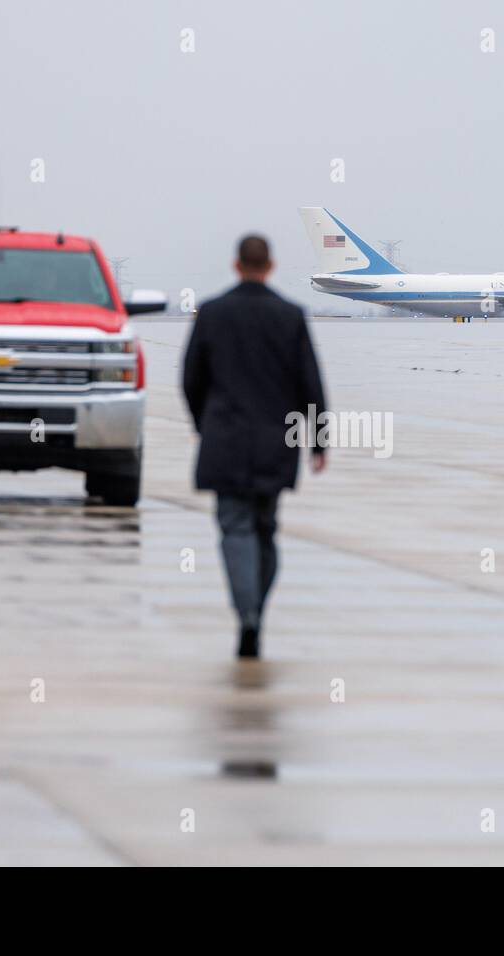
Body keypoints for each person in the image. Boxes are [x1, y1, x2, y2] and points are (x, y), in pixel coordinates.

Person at [182, 235, 327, 659]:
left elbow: (191, 379)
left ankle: (246, 615)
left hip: (225, 441)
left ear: (236, 265)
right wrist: (318, 442)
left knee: (235, 529)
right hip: (275, 444)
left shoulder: (211, 313)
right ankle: (256, 611)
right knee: (266, 531)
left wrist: (202, 424)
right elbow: (311, 385)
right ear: (270, 266)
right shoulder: (291, 316)